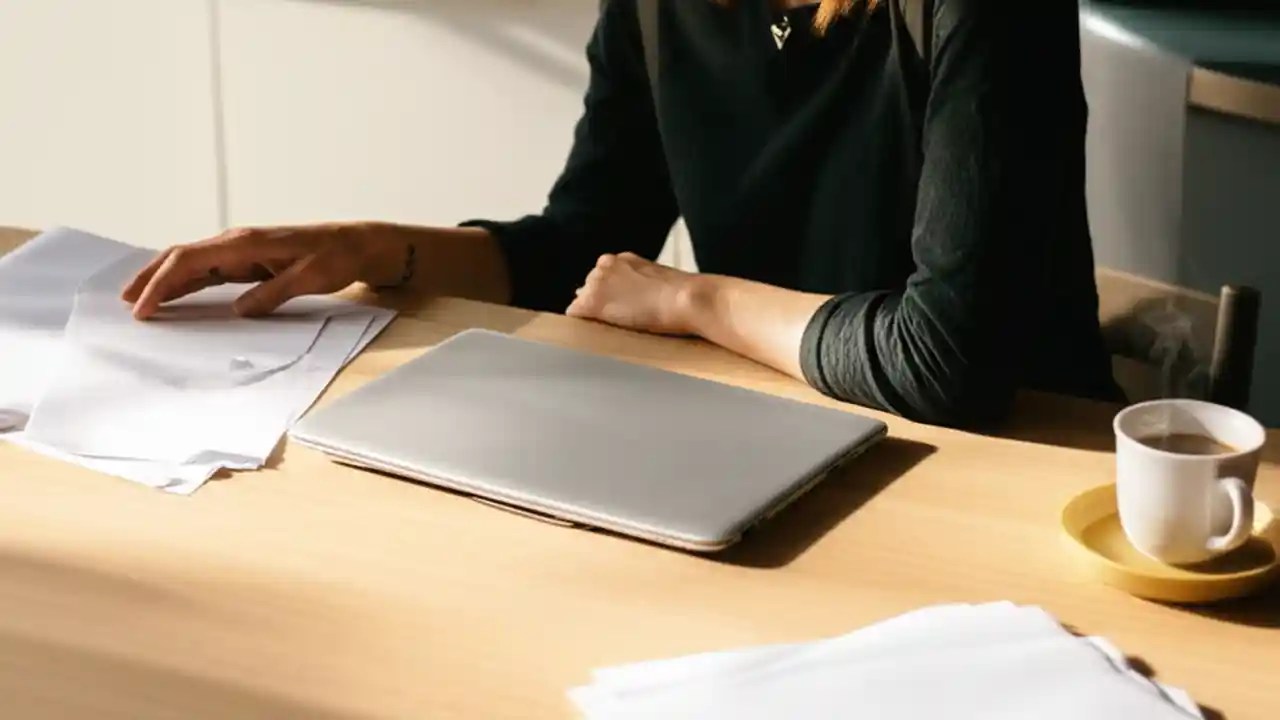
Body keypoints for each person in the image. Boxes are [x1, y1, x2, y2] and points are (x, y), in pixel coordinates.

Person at [122, 0, 1120, 428]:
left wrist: (698, 305)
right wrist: (373, 249)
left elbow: (947, 363)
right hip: (793, 432)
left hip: (1013, 464)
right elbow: (582, 250)